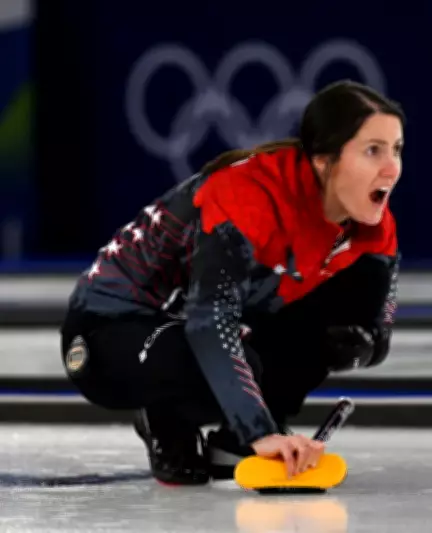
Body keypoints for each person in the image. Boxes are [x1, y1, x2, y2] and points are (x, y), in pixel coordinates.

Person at [59, 80, 404, 485]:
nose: (392, 168)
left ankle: (233, 440)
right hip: (107, 330)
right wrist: (260, 432)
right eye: (373, 150)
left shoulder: (373, 228)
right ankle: (166, 416)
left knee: (340, 311)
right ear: (324, 161)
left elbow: (376, 334)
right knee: (241, 361)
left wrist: (358, 345)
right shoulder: (249, 195)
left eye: (396, 149)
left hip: (204, 327)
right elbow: (209, 320)